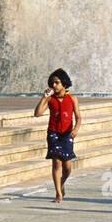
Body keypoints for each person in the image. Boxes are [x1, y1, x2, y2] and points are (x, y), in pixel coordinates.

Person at [34, 67, 81, 204]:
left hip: (67, 134)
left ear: (64, 83)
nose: (53, 85)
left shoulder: (72, 99)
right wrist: (44, 97)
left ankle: (60, 183)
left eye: (56, 82)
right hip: (53, 133)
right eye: (52, 83)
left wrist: (76, 129)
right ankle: (58, 194)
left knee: (67, 168)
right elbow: (37, 113)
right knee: (56, 164)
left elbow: (78, 117)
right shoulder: (50, 99)